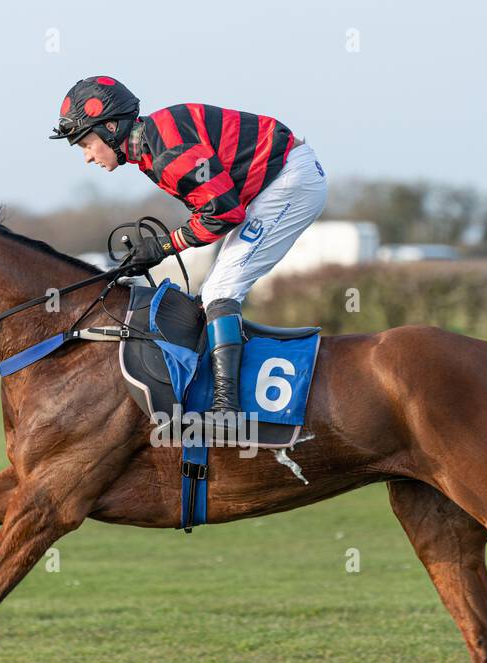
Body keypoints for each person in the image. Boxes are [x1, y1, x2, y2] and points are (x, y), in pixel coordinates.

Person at [50, 76, 327, 418]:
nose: (87, 157)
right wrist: (161, 246)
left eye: (86, 144)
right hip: (276, 180)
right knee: (213, 291)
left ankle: (228, 408)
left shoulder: (167, 151)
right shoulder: (152, 147)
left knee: (220, 291)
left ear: (110, 128)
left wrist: (163, 246)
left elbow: (223, 213)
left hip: (288, 183)